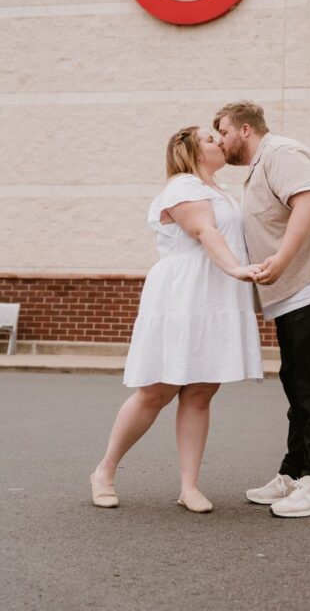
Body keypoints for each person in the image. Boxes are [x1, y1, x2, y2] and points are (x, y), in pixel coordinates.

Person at [90, 126, 263, 513]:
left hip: (216, 294)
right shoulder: (183, 186)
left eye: (218, 136)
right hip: (184, 294)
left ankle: (189, 486)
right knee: (157, 391)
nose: (219, 140)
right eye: (208, 139)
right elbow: (204, 230)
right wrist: (237, 269)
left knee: (201, 392)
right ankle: (104, 470)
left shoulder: (220, 190)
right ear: (188, 152)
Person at [213, 101, 310, 518]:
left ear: (245, 129)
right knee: (296, 383)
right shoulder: (261, 167)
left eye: (222, 131)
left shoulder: (281, 152)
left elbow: (308, 203)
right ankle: (294, 472)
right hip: (293, 293)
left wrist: (279, 261)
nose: (220, 141)